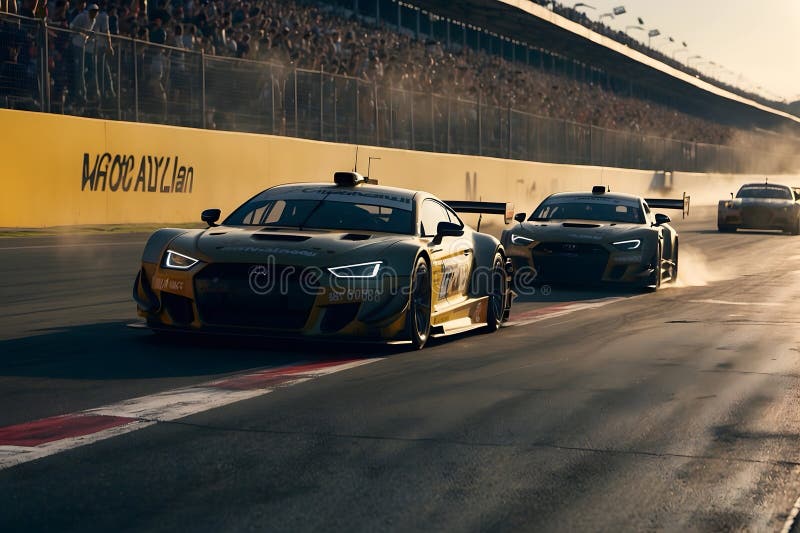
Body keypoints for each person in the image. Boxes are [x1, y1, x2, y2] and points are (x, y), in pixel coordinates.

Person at [68, 2, 98, 108]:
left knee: (82, 70)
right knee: (78, 70)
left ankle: (82, 93)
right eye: (93, 11)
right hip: (75, 43)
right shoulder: (82, 16)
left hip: (83, 46)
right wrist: (81, 32)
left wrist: (89, 35)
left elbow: (87, 34)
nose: (95, 14)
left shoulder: (93, 21)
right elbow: (71, 26)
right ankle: (80, 94)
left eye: (96, 12)